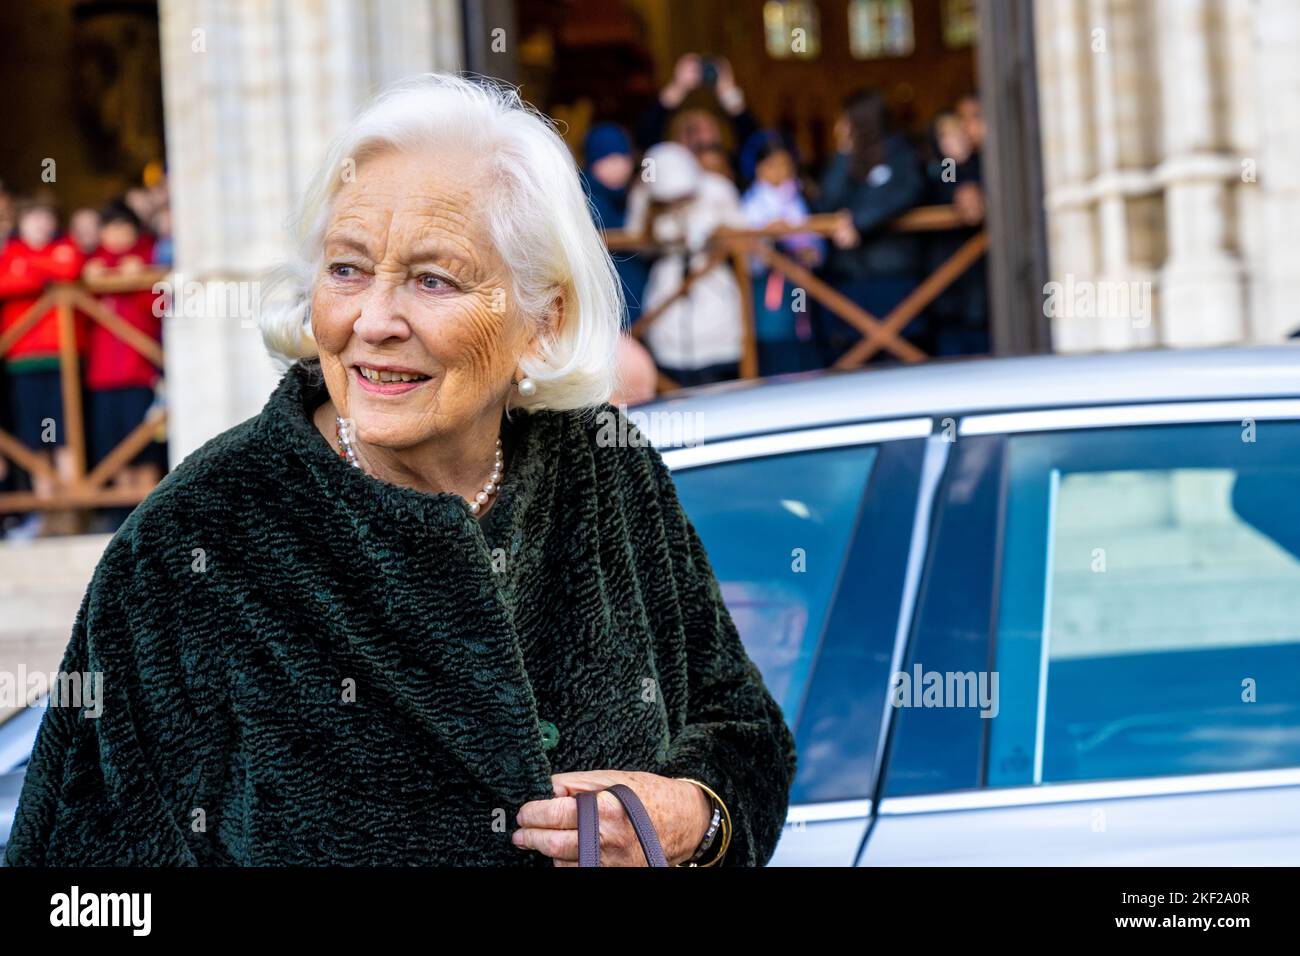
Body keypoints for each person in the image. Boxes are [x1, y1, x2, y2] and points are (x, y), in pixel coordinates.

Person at [5, 73, 796, 868]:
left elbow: (746, 734)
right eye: (347, 269)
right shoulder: (194, 541)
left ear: (542, 319)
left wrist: (696, 817)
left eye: (432, 279)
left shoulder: (605, 471)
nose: (374, 321)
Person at [626, 141, 748, 387]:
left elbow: (746, 241)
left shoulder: (717, 190)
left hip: (714, 294)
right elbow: (636, 240)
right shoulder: (643, 197)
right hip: (668, 295)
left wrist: (713, 228)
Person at [817, 88, 926, 362]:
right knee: (854, 360)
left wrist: (859, 223)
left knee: (899, 359)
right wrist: (843, 154)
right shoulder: (847, 159)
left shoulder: (900, 154)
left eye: (845, 121)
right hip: (852, 281)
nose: (838, 127)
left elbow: (905, 193)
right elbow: (826, 203)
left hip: (892, 280)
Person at [0, 199, 88, 537]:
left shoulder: (64, 248)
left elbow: (70, 269)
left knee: (65, 434)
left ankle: (71, 509)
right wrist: (43, 270)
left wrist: (29, 267)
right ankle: (45, 510)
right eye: (32, 219)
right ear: (21, 224)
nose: (39, 225)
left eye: (45, 218)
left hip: (61, 356)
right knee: (34, 439)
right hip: (22, 360)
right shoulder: (11, 253)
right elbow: (7, 283)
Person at [82, 200, 165, 532]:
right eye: (110, 228)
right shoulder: (91, 265)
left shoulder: (148, 259)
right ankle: (119, 515)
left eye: (122, 228)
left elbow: (160, 309)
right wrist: (87, 277)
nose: (116, 235)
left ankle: (145, 513)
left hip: (139, 371)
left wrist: (142, 279)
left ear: (134, 231)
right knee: (112, 443)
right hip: (102, 375)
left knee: (142, 444)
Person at [739, 130, 825, 376]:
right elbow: (747, 255)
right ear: (758, 168)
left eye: (786, 165)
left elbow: (814, 239)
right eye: (773, 165)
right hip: (769, 290)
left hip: (799, 284)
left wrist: (809, 250)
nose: (781, 171)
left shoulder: (798, 198)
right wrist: (769, 235)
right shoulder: (751, 204)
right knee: (776, 346)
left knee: (803, 343)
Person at [923, 108, 989, 355]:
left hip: (981, 282)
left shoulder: (983, 163)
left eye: (959, 131)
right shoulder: (942, 166)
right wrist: (960, 192)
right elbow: (946, 184)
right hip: (949, 281)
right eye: (946, 134)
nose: (956, 138)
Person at [635, 53, 758, 175]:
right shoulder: (666, 169)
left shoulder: (733, 168)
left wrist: (729, 93)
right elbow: (646, 144)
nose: (703, 136)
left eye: (709, 128)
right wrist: (676, 89)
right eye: (693, 130)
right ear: (677, 138)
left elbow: (755, 143)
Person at [581, 122, 647, 328]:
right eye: (609, 159)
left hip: (634, 313)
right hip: (605, 312)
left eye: (624, 158)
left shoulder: (631, 197)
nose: (620, 166)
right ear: (593, 162)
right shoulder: (584, 199)